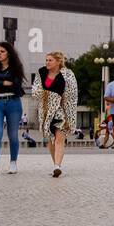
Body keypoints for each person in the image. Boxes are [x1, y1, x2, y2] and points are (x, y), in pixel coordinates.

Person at [32, 50, 77, 178]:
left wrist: (69, 114)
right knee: (50, 140)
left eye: (50, 60)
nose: (47, 62)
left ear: (58, 61)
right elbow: (35, 92)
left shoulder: (68, 75)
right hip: (45, 111)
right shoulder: (41, 72)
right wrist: (51, 95)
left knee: (59, 138)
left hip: (61, 110)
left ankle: (57, 166)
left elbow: (72, 95)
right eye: (46, 60)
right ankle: (55, 165)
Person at [0, 42, 26, 175]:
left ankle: (13, 162)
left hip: (13, 104)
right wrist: (3, 82)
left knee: (13, 135)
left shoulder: (16, 68)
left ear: (8, 53)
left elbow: (16, 86)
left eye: (2, 51)